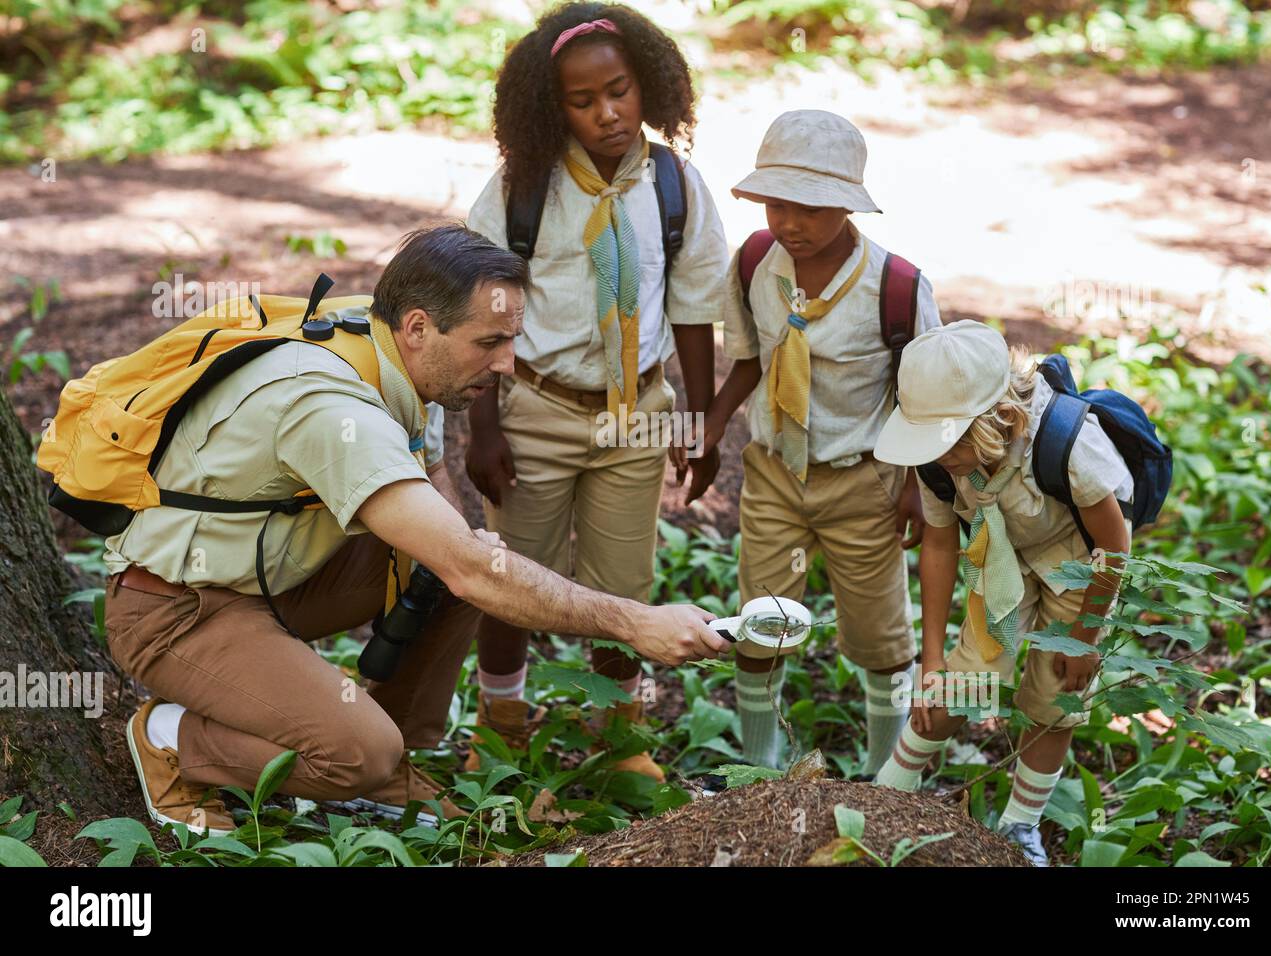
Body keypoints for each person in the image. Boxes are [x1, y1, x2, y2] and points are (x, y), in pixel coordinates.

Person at [102, 224, 728, 836]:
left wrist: (463, 551)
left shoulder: (385, 344)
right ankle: (172, 739)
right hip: (180, 611)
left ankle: (394, 768)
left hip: (267, 579)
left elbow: (433, 485)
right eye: (490, 342)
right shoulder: (330, 407)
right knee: (363, 742)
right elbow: (472, 568)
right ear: (420, 326)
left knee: (457, 565)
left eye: (512, 340)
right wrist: (633, 622)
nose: (508, 364)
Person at [458, 2, 729, 780]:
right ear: (553, 107)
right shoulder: (522, 190)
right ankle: (500, 728)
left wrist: (700, 424)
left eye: (618, 90)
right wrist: (484, 427)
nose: (606, 113)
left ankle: (619, 742)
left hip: (637, 414)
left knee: (624, 587)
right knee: (514, 580)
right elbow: (479, 310)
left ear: (647, 85)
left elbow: (694, 311)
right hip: (535, 409)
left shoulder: (674, 187)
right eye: (582, 100)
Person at [695, 110, 935, 773]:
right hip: (773, 473)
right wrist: (710, 431)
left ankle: (889, 779)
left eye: (810, 208)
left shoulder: (898, 288)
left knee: (882, 636)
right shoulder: (752, 264)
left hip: (865, 484)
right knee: (761, 625)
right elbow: (748, 360)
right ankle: (761, 770)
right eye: (776, 203)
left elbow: (924, 400)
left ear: (847, 204)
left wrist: (918, 490)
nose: (789, 223)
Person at [872, 320, 1133, 867]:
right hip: (999, 556)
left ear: (993, 421)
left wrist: (1082, 640)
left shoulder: (1065, 443)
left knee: (1053, 698)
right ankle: (883, 799)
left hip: (1076, 564)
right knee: (967, 678)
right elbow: (940, 547)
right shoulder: (939, 462)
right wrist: (934, 657)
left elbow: (1114, 543)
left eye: (945, 442)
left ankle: (1020, 826)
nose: (935, 455)